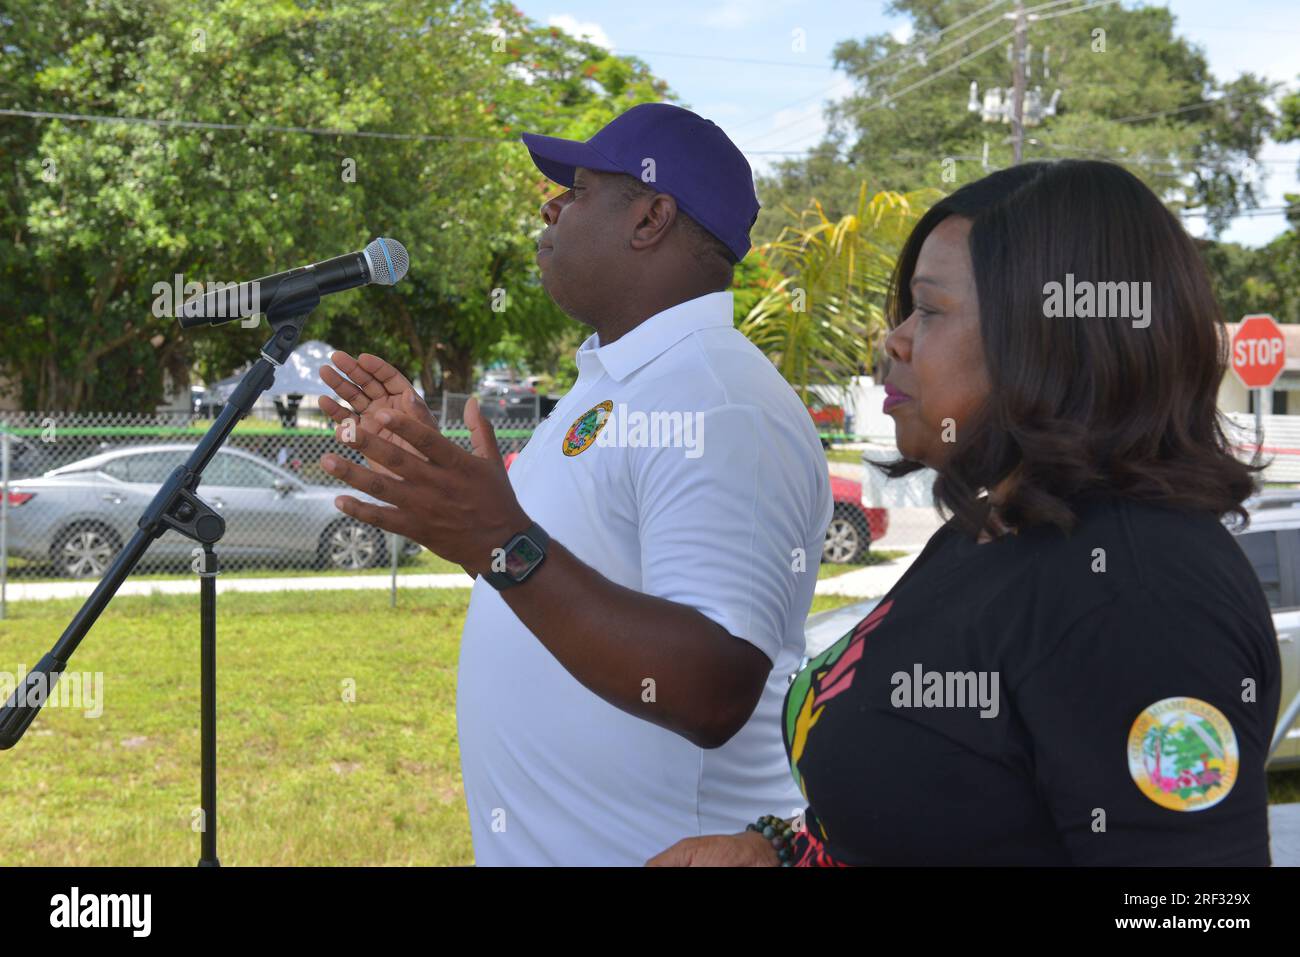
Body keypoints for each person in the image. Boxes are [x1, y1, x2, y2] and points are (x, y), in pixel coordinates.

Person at [649, 159, 1282, 866]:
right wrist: (777, 850)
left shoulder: (1141, 594)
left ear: (1053, 338)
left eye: (931, 309)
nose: (895, 339)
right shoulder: (995, 530)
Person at [315, 103, 832, 865]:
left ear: (652, 217)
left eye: (580, 189)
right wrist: (462, 517)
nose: (552, 205)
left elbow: (712, 686)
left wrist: (500, 540)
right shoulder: (615, 380)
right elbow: (550, 577)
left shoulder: (719, 401)